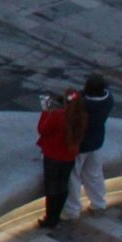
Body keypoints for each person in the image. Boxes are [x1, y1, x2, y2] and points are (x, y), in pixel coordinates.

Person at [36, 89, 87, 228]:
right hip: (69, 156)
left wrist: (46, 111)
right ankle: (57, 215)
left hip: (53, 155)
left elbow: (42, 129)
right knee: (63, 184)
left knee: (52, 186)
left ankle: (50, 218)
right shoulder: (81, 117)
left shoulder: (58, 116)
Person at [65, 74, 113, 221]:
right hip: (96, 142)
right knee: (94, 174)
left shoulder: (83, 103)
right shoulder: (108, 99)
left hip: (79, 145)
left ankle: (72, 210)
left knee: (73, 177)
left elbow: (70, 101)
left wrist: (68, 96)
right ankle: (98, 203)